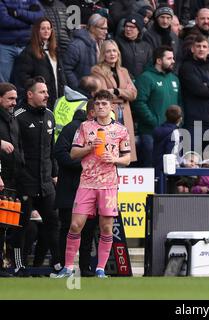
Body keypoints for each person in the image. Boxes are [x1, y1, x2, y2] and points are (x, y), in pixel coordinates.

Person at [52, 90, 131, 278]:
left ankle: (100, 269)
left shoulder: (121, 130)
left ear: (111, 106)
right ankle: (68, 267)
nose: (101, 107)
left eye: (104, 103)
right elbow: (72, 154)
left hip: (109, 185)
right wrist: (89, 147)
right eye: (97, 104)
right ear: (93, 108)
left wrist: (114, 159)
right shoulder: (85, 127)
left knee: (106, 227)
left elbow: (127, 159)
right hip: (86, 183)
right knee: (75, 225)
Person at [14, 76, 61, 275]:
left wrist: (55, 174)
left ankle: (59, 264)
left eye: (47, 91)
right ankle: (18, 265)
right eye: (42, 92)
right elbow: (16, 151)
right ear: (30, 94)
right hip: (25, 183)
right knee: (21, 226)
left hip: (46, 183)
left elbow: (52, 149)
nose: (47, 95)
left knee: (53, 223)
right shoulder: (18, 116)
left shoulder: (50, 115)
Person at [54, 101, 97, 277]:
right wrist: (84, 166)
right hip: (72, 189)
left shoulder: (102, 131)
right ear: (92, 113)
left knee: (83, 230)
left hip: (86, 189)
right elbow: (61, 154)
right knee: (73, 229)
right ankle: (72, 267)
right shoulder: (72, 129)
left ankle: (76, 267)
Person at [133, 45, 181, 167]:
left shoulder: (174, 79)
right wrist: (155, 121)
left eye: (173, 58)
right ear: (159, 61)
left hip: (171, 133)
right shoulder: (145, 78)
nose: (173, 61)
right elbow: (139, 103)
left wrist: (179, 121)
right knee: (151, 168)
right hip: (151, 133)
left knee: (169, 170)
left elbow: (180, 103)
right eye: (169, 58)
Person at [91, 39, 138, 162]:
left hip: (125, 113)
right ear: (103, 54)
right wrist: (124, 93)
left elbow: (133, 93)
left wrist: (117, 91)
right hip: (109, 112)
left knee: (125, 149)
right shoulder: (97, 70)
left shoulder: (124, 71)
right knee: (110, 148)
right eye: (108, 51)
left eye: (114, 51)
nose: (112, 54)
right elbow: (102, 94)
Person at [13, 17, 66, 110]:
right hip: (40, 101)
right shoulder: (28, 52)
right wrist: (37, 91)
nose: (46, 31)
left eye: (48, 28)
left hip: (58, 98)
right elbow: (23, 77)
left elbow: (61, 75)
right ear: (37, 31)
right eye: (43, 28)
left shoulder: (55, 50)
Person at [0, 83, 25, 277]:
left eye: (15, 99)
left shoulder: (12, 119)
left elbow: (18, 148)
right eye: (10, 98)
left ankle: (3, 265)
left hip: (12, 180)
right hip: (1, 178)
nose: (14, 103)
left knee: (5, 225)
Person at [0, 0, 44, 82]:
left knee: (26, 80)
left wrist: (18, 13)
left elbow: (39, 16)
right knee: (3, 83)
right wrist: (28, 22)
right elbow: (4, 20)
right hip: (5, 46)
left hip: (25, 46)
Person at [63, 13, 108, 90]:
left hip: (97, 92)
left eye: (106, 29)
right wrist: (78, 88)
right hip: (82, 93)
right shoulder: (76, 45)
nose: (106, 32)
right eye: (102, 28)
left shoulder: (102, 44)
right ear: (92, 28)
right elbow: (66, 69)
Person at [115, 14, 152, 80]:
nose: (128, 29)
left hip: (142, 81)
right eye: (126, 26)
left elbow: (149, 66)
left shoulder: (146, 46)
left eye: (132, 27)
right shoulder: (117, 43)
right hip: (123, 80)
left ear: (139, 30)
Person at [152, 104, 183, 176]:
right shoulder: (175, 133)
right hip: (169, 172)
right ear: (180, 119)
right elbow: (173, 154)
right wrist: (183, 163)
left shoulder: (158, 130)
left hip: (157, 169)